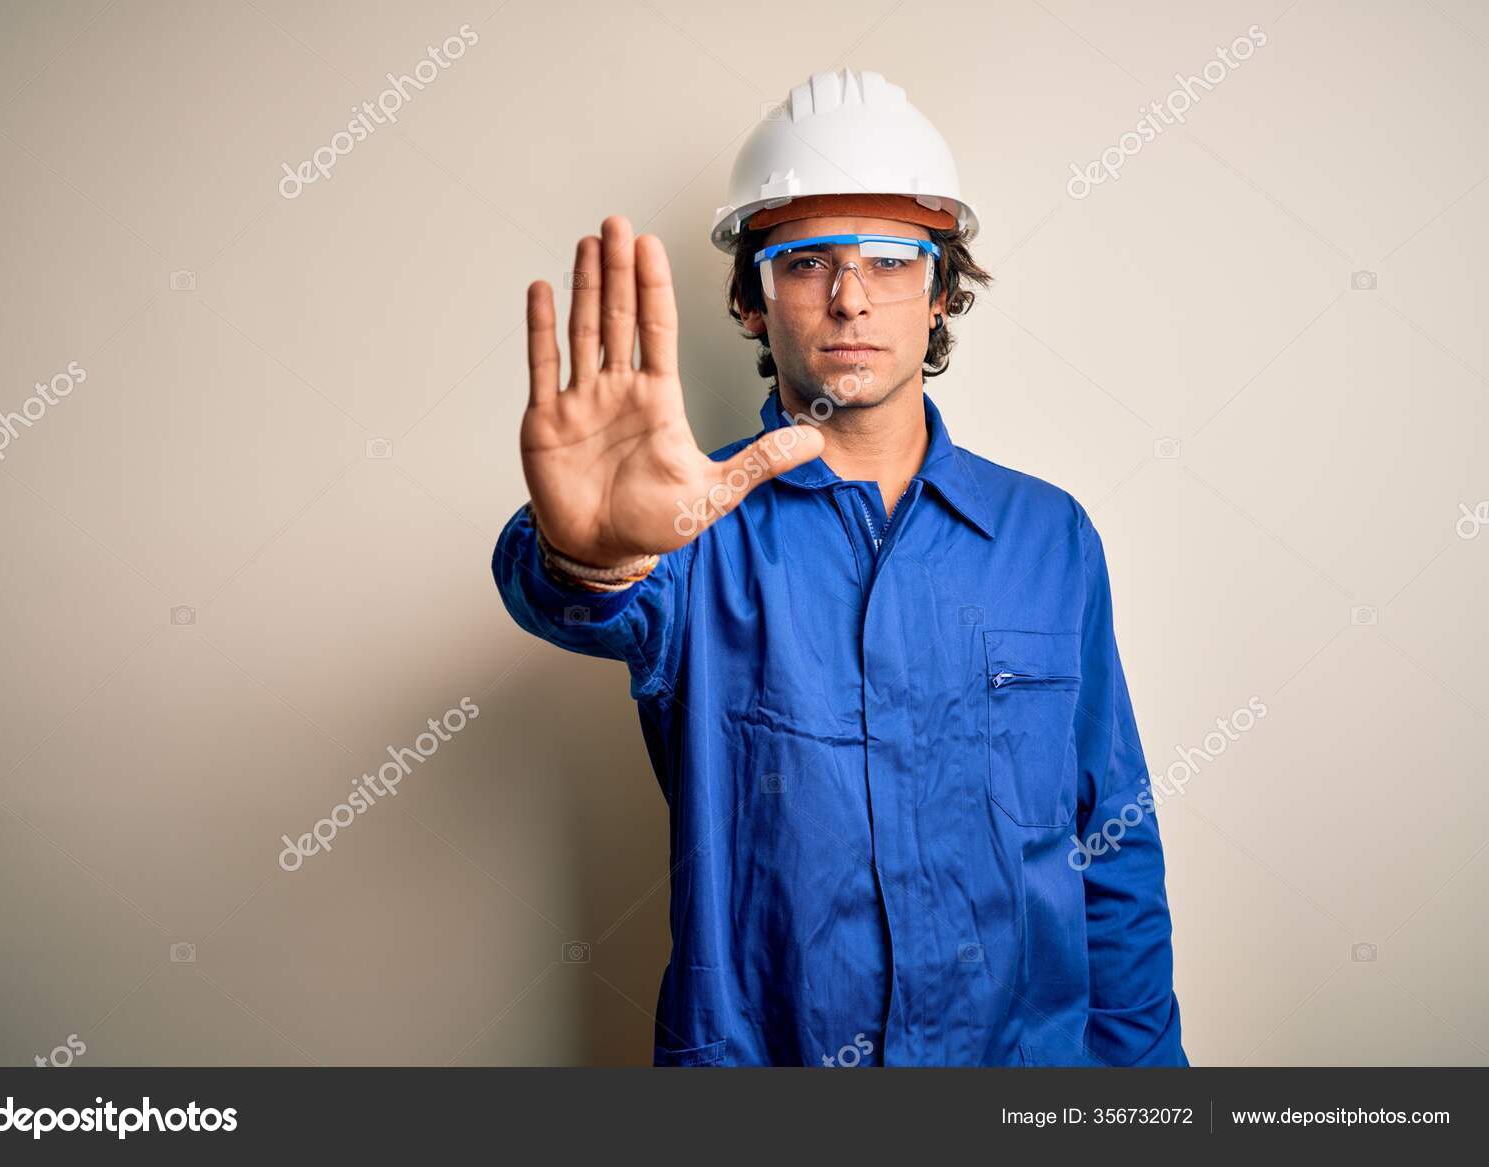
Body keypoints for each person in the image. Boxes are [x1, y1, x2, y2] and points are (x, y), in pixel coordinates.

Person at [492, 68, 1185, 1067]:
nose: (851, 297)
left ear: (942, 287)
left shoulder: (1050, 536)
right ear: (750, 302)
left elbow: (1112, 843)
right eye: (805, 262)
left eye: (893, 260)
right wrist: (585, 556)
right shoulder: (690, 535)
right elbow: (571, 599)